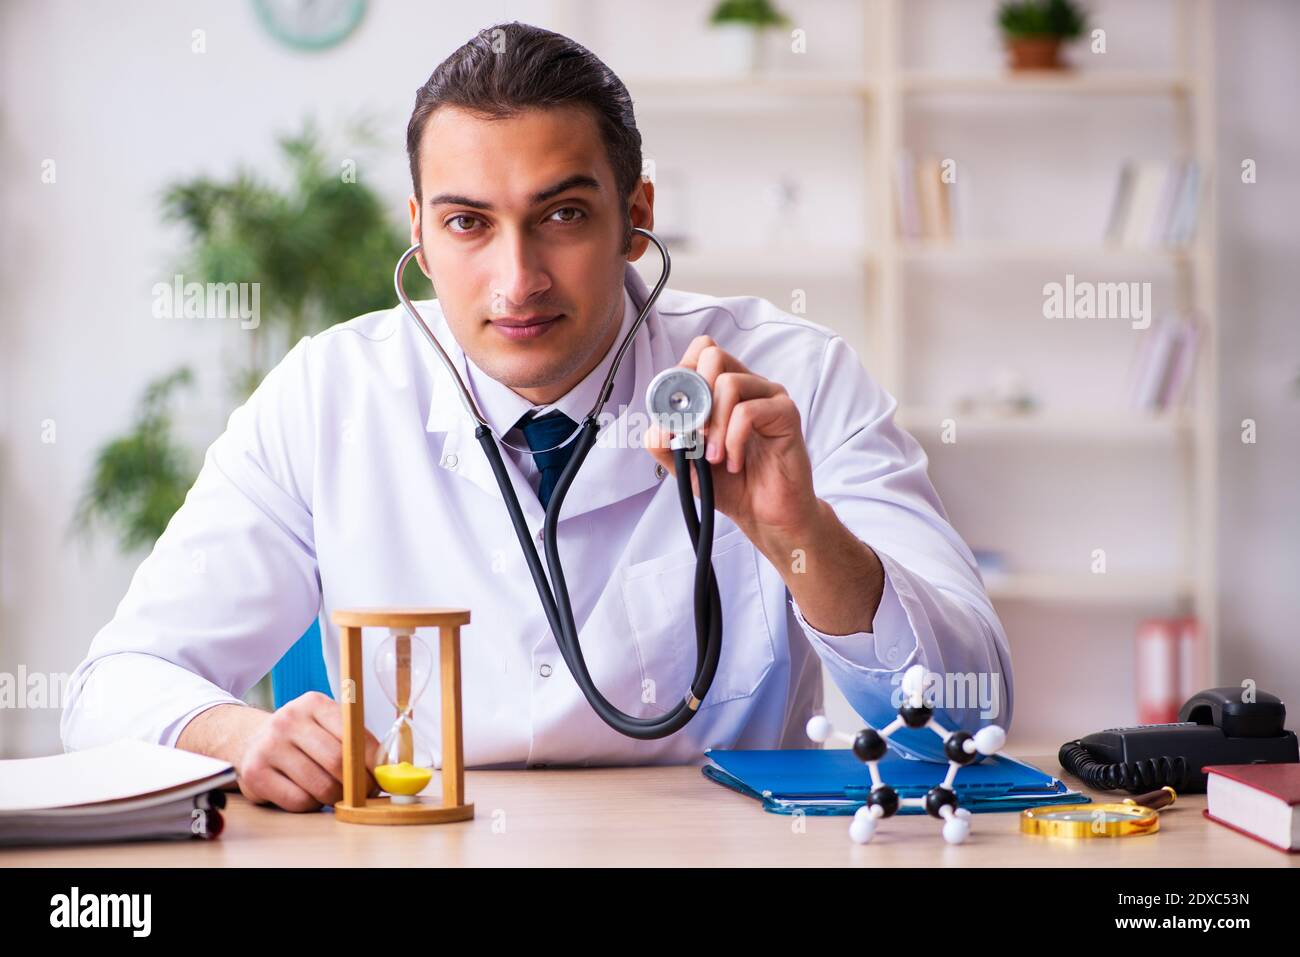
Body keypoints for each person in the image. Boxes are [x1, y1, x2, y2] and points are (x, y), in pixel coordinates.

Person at [61, 22, 1012, 813]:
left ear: (636, 216)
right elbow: (113, 686)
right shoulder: (328, 397)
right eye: (468, 223)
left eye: (560, 215)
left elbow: (974, 711)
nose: (517, 282)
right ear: (421, 234)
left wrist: (802, 540)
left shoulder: (791, 379)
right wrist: (241, 733)